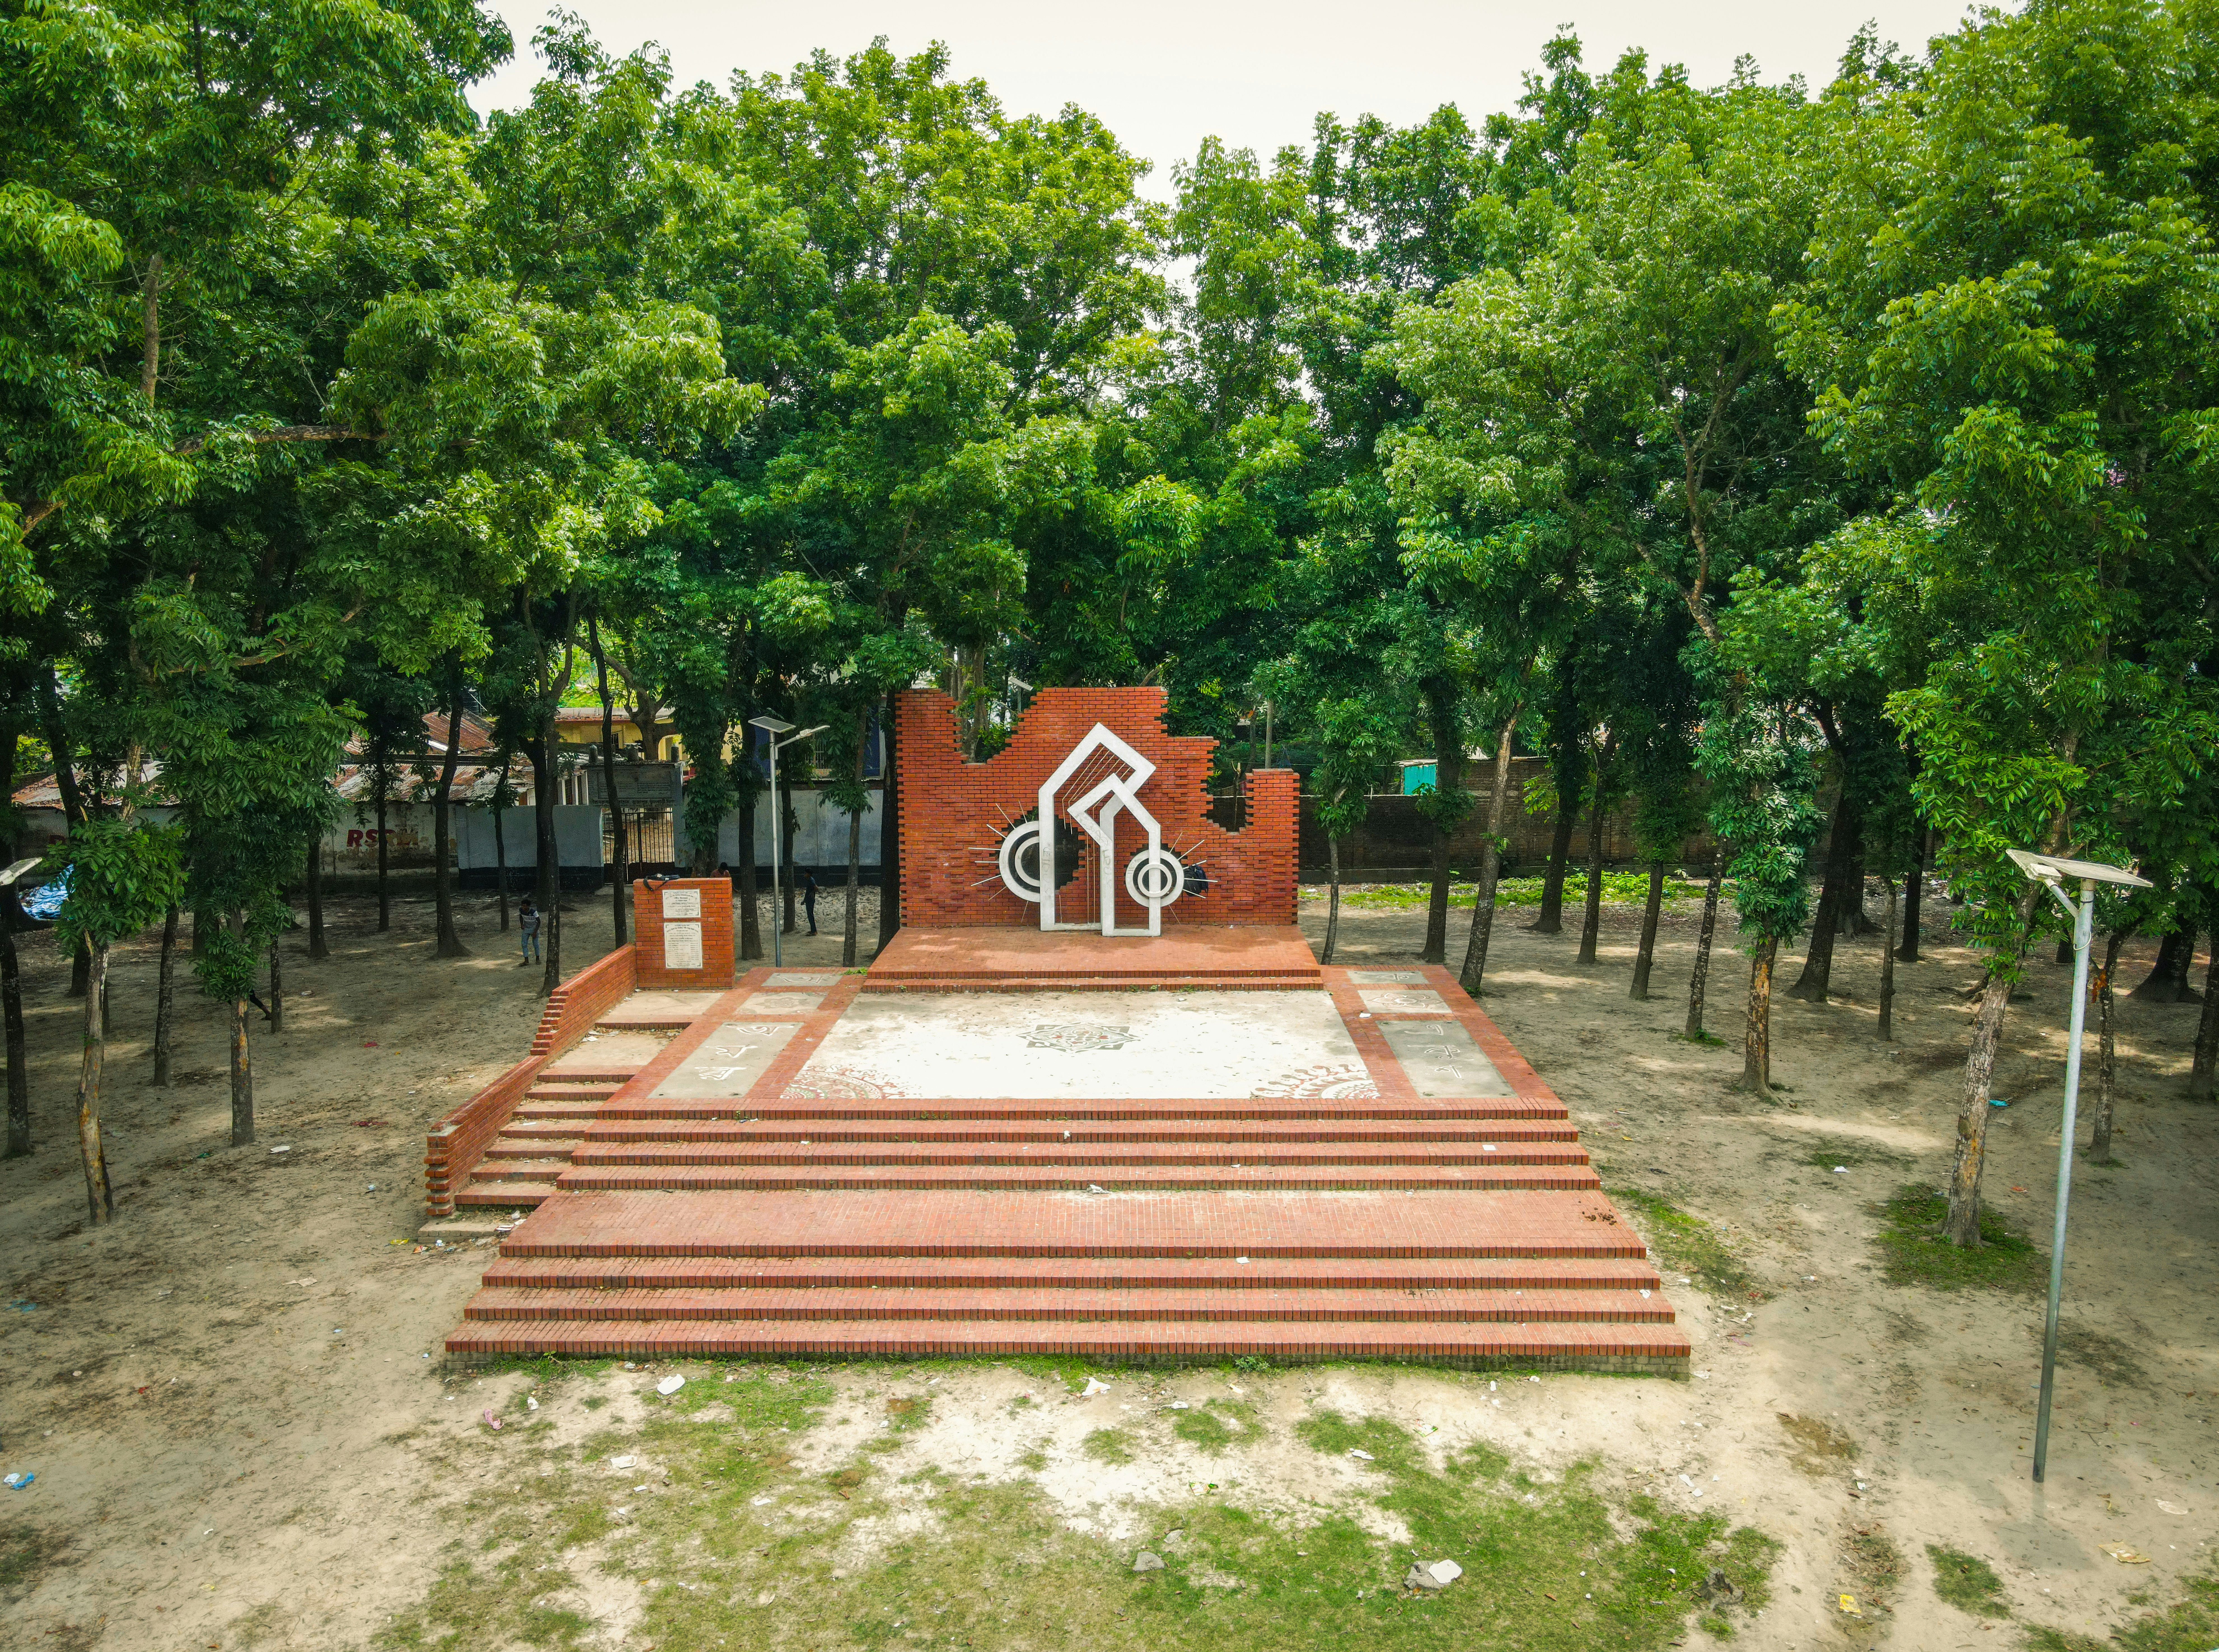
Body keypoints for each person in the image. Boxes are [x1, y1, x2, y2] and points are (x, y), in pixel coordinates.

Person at [518, 896, 541, 965]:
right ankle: (526, 960)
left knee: (536, 944)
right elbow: (521, 917)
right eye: (522, 906)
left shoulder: (534, 912)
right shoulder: (521, 910)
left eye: (525, 906)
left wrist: (535, 932)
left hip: (534, 928)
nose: (523, 907)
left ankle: (538, 959)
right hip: (526, 928)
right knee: (524, 944)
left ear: (528, 906)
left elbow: (539, 922)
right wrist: (522, 924)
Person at [801, 870, 819, 935]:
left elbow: (817, 888)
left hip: (810, 900)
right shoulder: (810, 880)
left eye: (806, 874)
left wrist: (812, 893)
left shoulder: (811, 881)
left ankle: (814, 931)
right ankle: (813, 930)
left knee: (810, 915)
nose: (804, 875)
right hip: (809, 899)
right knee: (810, 915)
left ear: (809, 874)